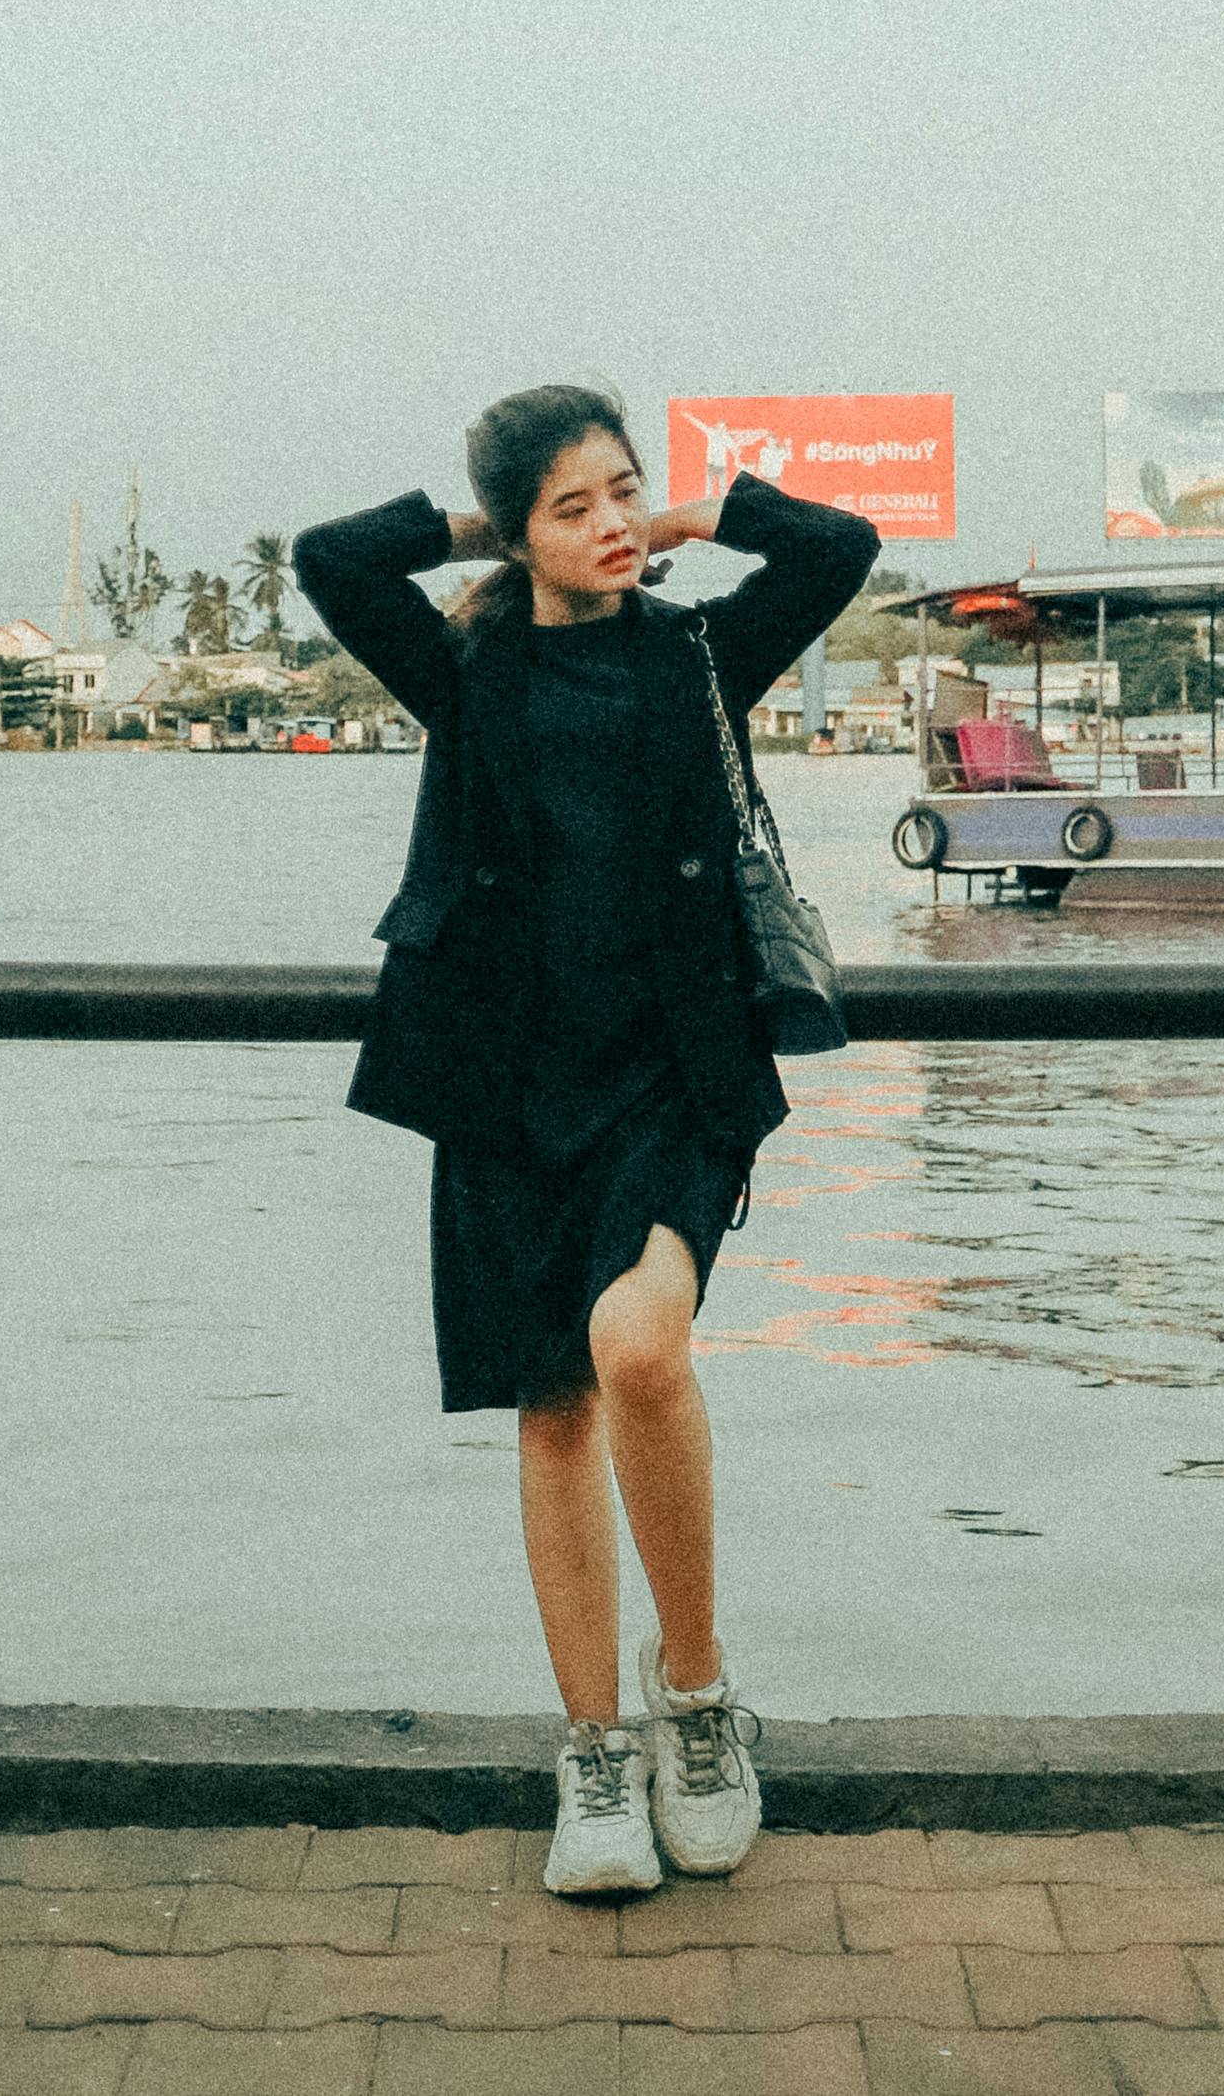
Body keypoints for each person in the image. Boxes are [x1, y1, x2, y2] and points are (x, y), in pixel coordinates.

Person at [293, 385, 878, 1901]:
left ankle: (698, 1695)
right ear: (519, 529)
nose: (615, 522)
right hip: (502, 1080)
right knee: (551, 1409)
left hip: (672, 1074)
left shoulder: (696, 653)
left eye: (625, 490)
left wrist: (698, 513)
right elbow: (331, 558)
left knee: (639, 1347)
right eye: (578, 506)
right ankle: (596, 1752)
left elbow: (838, 549)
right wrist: (485, 529)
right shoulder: (464, 665)